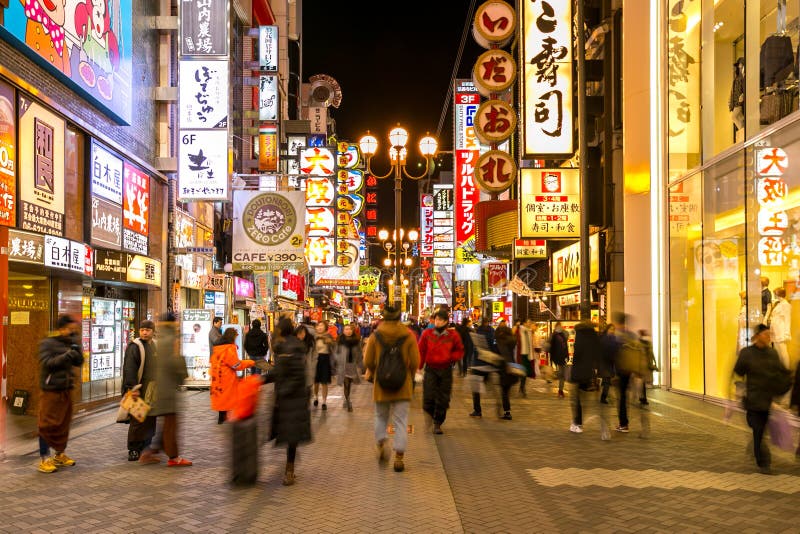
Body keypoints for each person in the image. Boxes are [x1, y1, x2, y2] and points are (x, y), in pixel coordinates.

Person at [364, 305, 420, 472]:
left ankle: (381, 443)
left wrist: (375, 370)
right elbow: (415, 361)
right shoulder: (407, 336)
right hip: (402, 384)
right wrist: (409, 375)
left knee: (381, 417)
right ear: (398, 318)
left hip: (381, 384)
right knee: (401, 421)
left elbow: (368, 361)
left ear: (384, 317)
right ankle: (399, 458)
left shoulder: (376, 336)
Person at [734, 323, 792, 474]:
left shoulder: (772, 353)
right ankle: (763, 462)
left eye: (769, 335)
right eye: (766, 334)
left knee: (761, 430)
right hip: (752, 400)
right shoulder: (747, 353)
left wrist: (789, 377)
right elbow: (738, 371)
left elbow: (780, 372)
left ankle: (756, 449)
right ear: (757, 336)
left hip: (766, 400)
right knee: (758, 429)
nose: (768, 337)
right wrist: (738, 390)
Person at [137, 313, 192, 467]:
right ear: (173, 324)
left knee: (167, 425)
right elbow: (173, 363)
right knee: (171, 426)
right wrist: (183, 372)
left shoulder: (160, 339)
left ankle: (149, 452)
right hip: (167, 390)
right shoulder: (171, 340)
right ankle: (173, 457)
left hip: (162, 389)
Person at [264, 317, 312, 485]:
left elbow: (293, 374)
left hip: (291, 397)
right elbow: (280, 371)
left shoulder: (288, 347)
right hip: (292, 396)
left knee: (290, 435)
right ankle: (289, 468)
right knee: (289, 435)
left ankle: (289, 471)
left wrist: (280, 389)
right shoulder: (289, 346)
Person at [36, 315, 84, 473]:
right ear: (61, 328)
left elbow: (78, 362)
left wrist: (77, 351)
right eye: (70, 329)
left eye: (74, 329)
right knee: (47, 425)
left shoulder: (71, 342)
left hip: (66, 389)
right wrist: (68, 355)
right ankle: (44, 459)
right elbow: (48, 363)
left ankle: (59, 455)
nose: (72, 331)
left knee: (64, 424)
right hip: (51, 390)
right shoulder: (47, 343)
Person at [418, 309, 464, 434]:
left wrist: (451, 358)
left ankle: (438, 423)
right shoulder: (427, 333)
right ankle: (429, 414)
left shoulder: (453, 335)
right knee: (429, 395)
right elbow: (421, 350)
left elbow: (459, 350)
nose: (437, 322)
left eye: (440, 320)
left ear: (446, 322)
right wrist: (418, 367)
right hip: (431, 369)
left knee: (443, 398)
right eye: (436, 319)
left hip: (446, 369)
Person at [122, 320, 158, 462]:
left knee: (150, 418)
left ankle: (145, 446)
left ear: (153, 332)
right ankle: (134, 449)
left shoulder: (154, 345)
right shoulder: (135, 346)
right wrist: (132, 388)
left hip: (152, 390)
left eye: (147, 330)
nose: (144, 332)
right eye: (142, 330)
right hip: (138, 389)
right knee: (137, 420)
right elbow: (129, 368)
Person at [210, 328, 255, 424]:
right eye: (235, 337)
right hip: (227, 377)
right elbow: (236, 365)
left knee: (221, 397)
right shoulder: (228, 349)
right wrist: (249, 362)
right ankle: (228, 418)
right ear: (232, 337)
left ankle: (222, 417)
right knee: (229, 397)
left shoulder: (218, 347)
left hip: (218, 376)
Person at [569, 321, 602, 434]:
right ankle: (577, 422)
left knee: (575, 399)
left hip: (578, 371)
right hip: (589, 372)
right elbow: (598, 354)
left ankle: (577, 423)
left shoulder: (580, 335)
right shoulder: (594, 336)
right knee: (585, 398)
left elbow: (577, 353)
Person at [335, 323, 363, 412]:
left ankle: (347, 398)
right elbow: (336, 353)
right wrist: (338, 360)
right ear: (343, 331)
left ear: (352, 331)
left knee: (349, 384)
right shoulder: (340, 341)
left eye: (350, 329)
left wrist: (360, 365)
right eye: (346, 329)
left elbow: (359, 353)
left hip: (352, 366)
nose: (348, 331)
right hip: (343, 365)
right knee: (346, 384)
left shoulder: (357, 341)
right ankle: (348, 401)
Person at [493, 318, 517, 420]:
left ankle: (506, 411)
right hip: (511, 366)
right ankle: (506, 409)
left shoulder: (499, 342)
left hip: (503, 368)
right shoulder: (512, 340)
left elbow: (497, 354)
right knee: (506, 390)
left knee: (504, 390)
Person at [313, 320, 336, 410]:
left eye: (322, 325)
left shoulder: (328, 336)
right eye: (318, 325)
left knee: (324, 382)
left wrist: (329, 341)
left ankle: (324, 401)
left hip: (325, 359)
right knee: (316, 381)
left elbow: (334, 347)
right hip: (315, 360)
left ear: (325, 327)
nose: (320, 327)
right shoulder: (313, 337)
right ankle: (315, 397)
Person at [767, 287, 791, 369]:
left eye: (775, 294)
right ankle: (781, 370)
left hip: (781, 331)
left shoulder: (786, 305)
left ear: (778, 294)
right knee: (778, 352)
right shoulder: (779, 304)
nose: (774, 295)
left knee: (783, 353)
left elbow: (788, 320)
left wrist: (786, 333)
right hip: (776, 330)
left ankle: (787, 370)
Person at [294, 324, 317, 395]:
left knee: (308, 387)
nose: (301, 335)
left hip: (309, 368)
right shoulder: (294, 343)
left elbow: (315, 355)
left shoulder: (311, 342)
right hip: (298, 369)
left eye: (303, 333)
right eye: (299, 333)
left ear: (306, 333)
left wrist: (313, 366)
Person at [548, 322, 569, 398]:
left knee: (562, 374)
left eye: (561, 326)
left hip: (562, 357)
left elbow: (565, 345)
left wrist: (567, 355)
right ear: (556, 327)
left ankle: (560, 390)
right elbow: (550, 346)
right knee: (561, 374)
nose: (561, 327)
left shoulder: (563, 335)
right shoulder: (553, 335)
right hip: (557, 357)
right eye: (559, 326)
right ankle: (560, 390)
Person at [637, 329, 658, 405]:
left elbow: (651, 354)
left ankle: (642, 398)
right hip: (642, 365)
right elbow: (651, 354)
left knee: (642, 382)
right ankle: (642, 398)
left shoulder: (642, 343)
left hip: (644, 365)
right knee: (641, 383)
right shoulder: (644, 344)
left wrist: (654, 363)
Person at [597, 323, 616, 404]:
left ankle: (603, 396)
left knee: (606, 381)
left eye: (613, 329)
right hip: (605, 363)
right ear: (607, 329)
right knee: (607, 381)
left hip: (609, 363)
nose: (612, 331)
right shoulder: (604, 339)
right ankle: (603, 398)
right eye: (611, 329)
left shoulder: (613, 338)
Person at [515, 318, 532, 396]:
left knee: (525, 372)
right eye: (528, 322)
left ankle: (522, 387)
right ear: (524, 323)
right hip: (521, 354)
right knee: (523, 372)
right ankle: (522, 388)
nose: (530, 324)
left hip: (527, 354)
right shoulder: (520, 330)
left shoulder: (529, 331)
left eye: (530, 322)